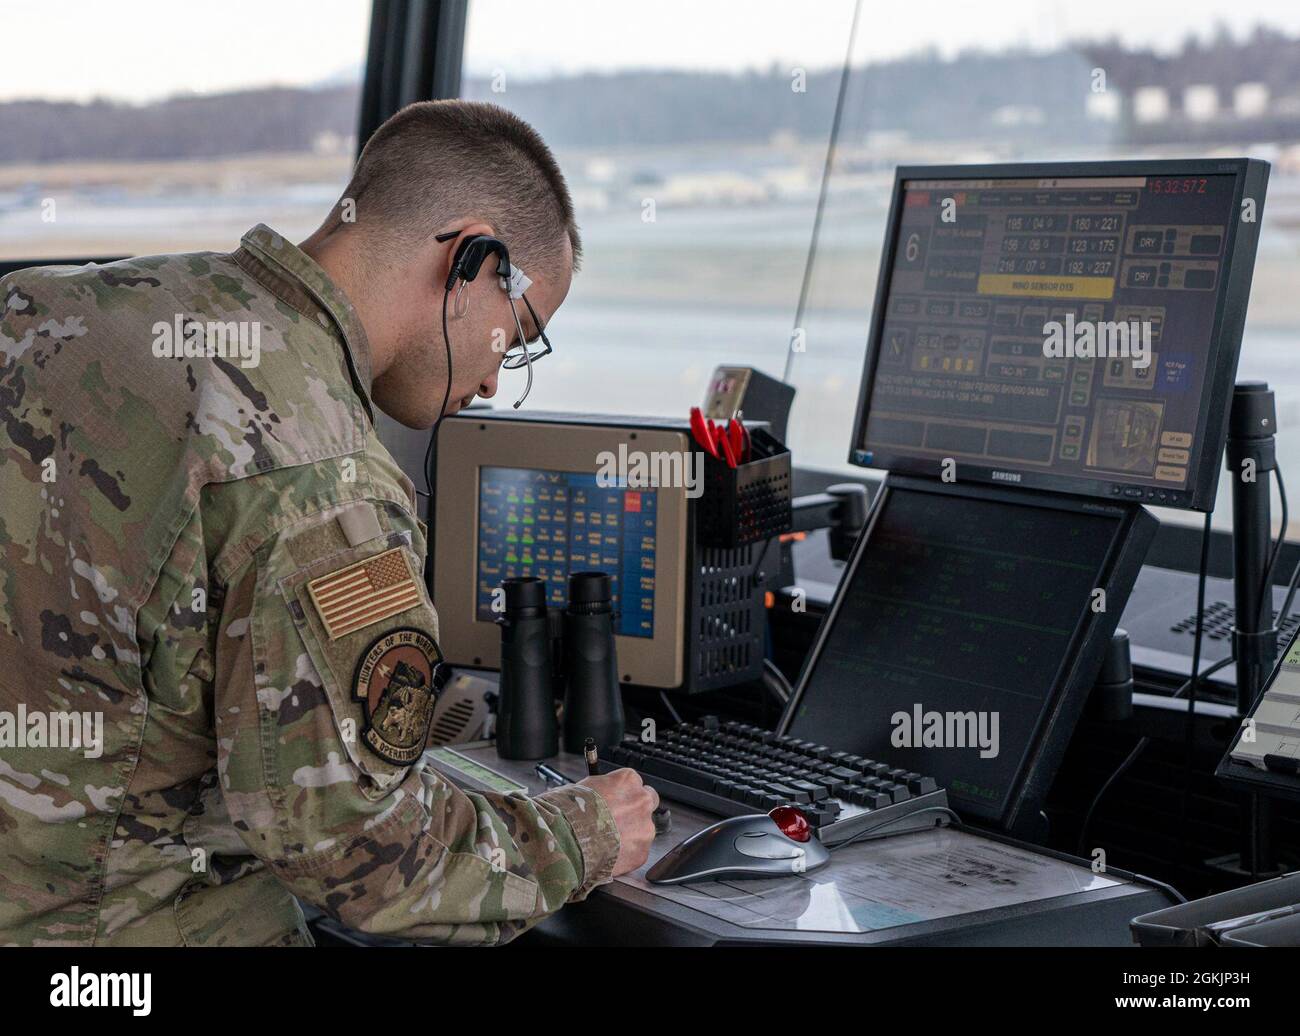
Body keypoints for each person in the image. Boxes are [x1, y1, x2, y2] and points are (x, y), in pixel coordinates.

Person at [0, 99, 658, 946]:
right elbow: (363, 854)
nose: (495, 381)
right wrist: (584, 832)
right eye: (517, 336)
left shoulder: (40, 307)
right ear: (472, 260)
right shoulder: (320, 480)